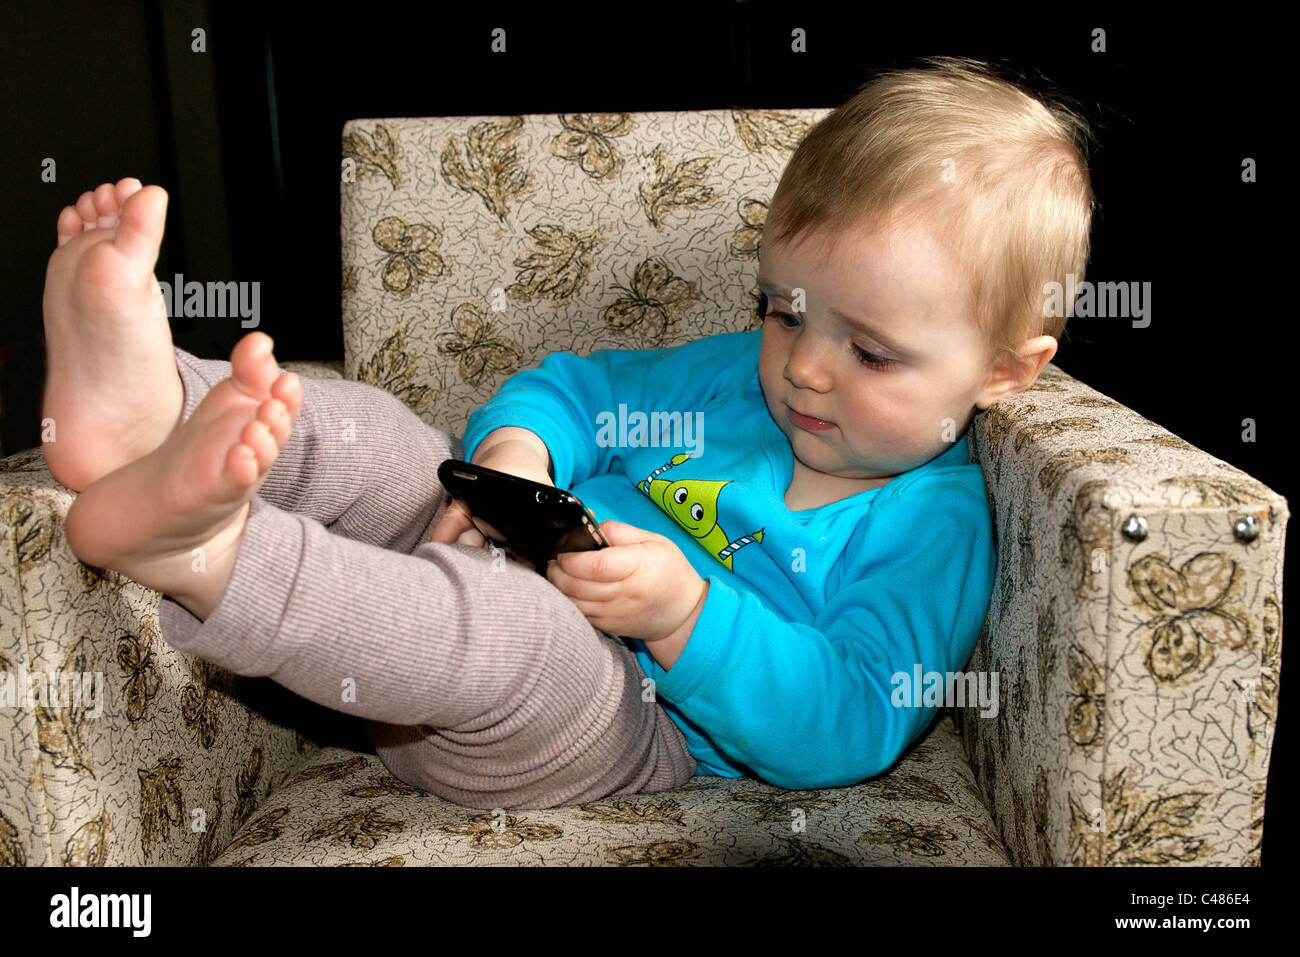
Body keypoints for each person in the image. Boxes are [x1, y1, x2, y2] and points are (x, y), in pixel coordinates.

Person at [41, 56, 1094, 809]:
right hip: (452, 582)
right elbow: (571, 389)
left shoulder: (935, 524)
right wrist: (516, 456)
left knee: (529, 638)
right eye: (782, 308)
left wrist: (684, 616)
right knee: (393, 443)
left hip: (611, 720)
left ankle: (207, 556)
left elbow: (848, 720)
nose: (803, 365)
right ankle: (154, 408)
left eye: (868, 352)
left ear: (1004, 370)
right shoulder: (737, 378)